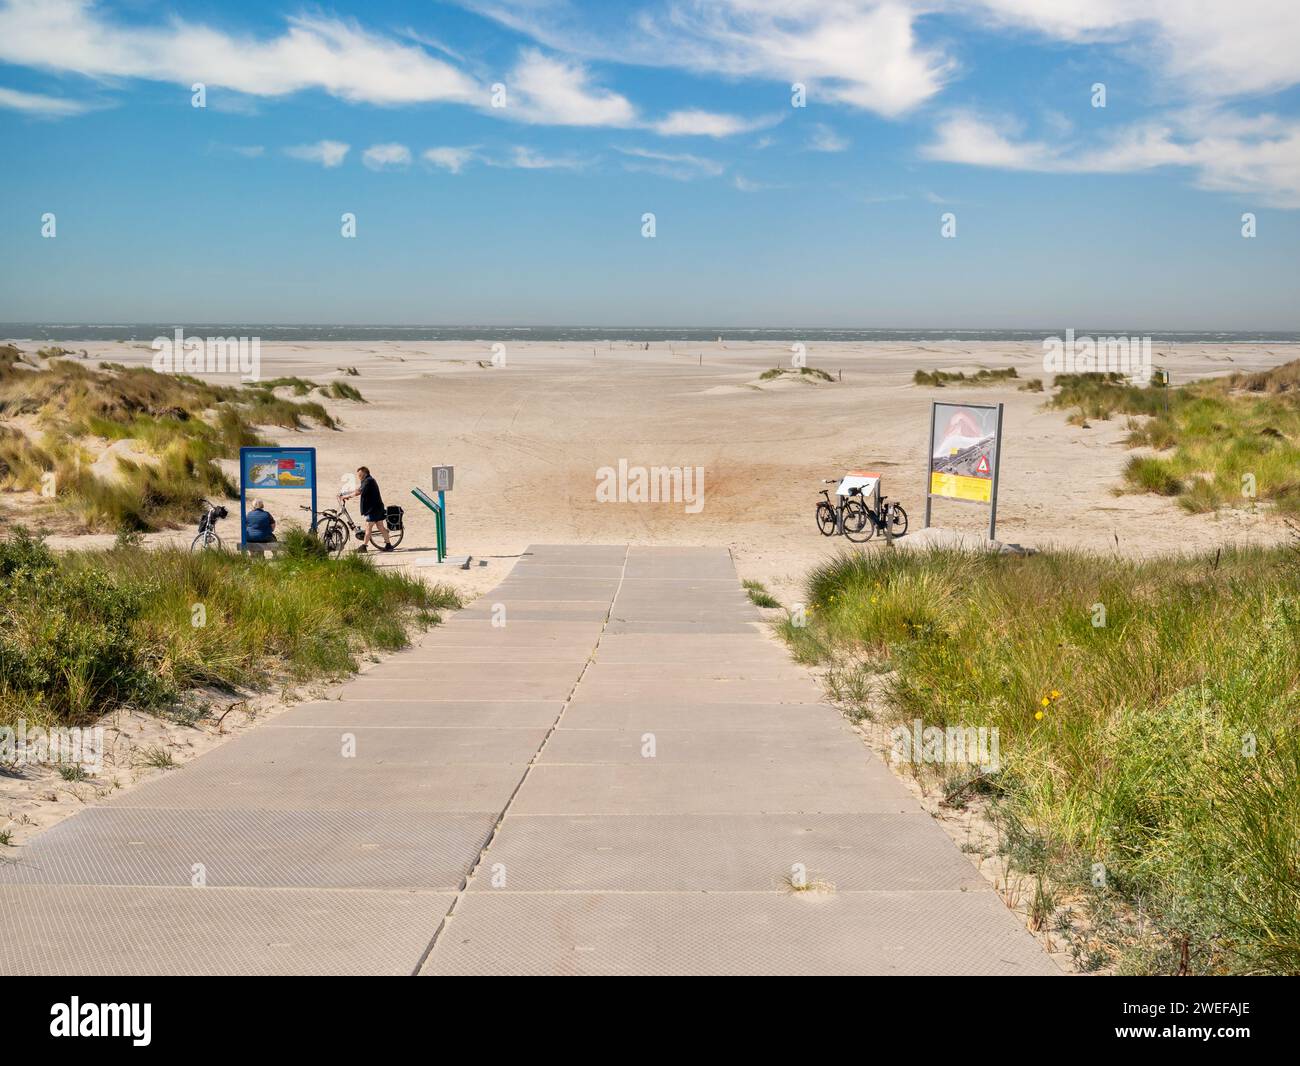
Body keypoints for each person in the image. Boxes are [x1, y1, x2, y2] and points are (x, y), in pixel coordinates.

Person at [339, 465, 393, 552]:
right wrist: (345, 494)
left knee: (368, 527)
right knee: (381, 527)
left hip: (373, 509)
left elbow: (359, 492)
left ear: (365, 473)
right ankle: (388, 545)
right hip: (377, 507)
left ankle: (364, 546)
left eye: (360, 475)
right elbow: (358, 490)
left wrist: (347, 496)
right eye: (358, 475)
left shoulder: (369, 481)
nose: (358, 477)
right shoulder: (366, 480)